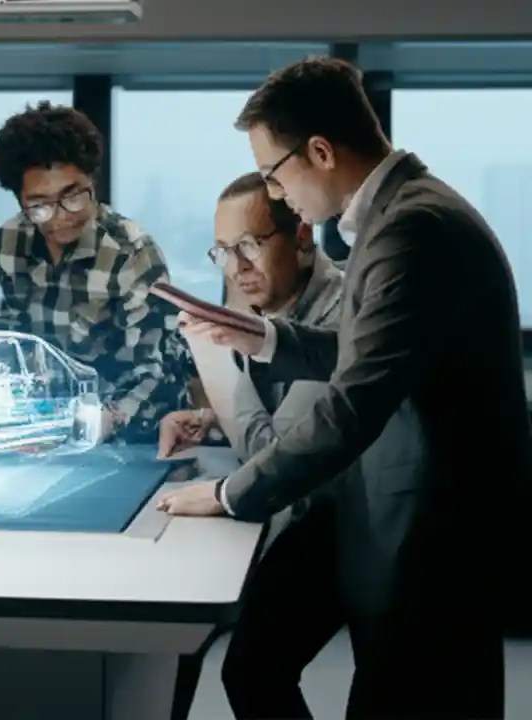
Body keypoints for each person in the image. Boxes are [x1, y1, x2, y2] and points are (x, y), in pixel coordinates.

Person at [158, 56, 531, 719]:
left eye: (274, 175)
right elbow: (379, 353)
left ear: (321, 152)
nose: (277, 195)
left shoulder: (411, 228)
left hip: (429, 542)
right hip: (407, 527)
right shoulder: (407, 213)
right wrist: (266, 339)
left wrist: (228, 493)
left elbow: (355, 402)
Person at [0, 101, 192, 442]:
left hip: (136, 432)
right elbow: (13, 332)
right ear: (20, 200)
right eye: (39, 205)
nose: (60, 215)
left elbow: (157, 374)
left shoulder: (132, 252)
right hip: (46, 428)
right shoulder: (9, 242)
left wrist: (99, 423)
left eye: (73, 196)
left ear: (91, 182)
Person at [157, 172, 343, 466]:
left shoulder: (341, 314)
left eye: (249, 245)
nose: (237, 268)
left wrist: (213, 356)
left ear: (302, 236)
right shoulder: (270, 304)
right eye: (225, 252)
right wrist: (210, 420)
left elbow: (272, 459)